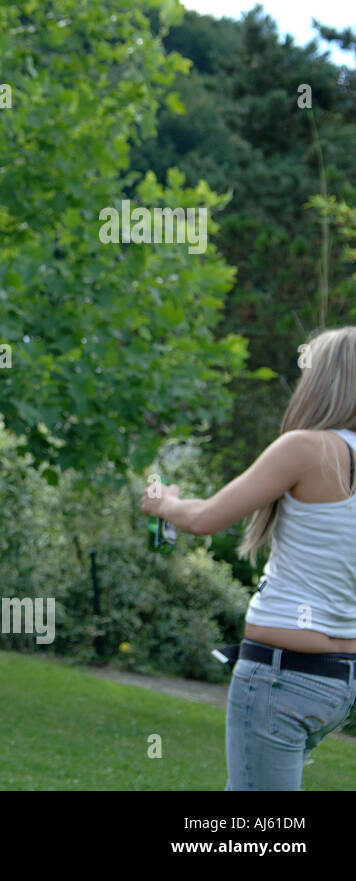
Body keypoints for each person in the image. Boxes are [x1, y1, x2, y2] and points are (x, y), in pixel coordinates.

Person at [141, 325, 356, 790]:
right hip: (339, 683)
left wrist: (163, 504)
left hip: (282, 677)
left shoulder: (306, 448)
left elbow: (203, 518)